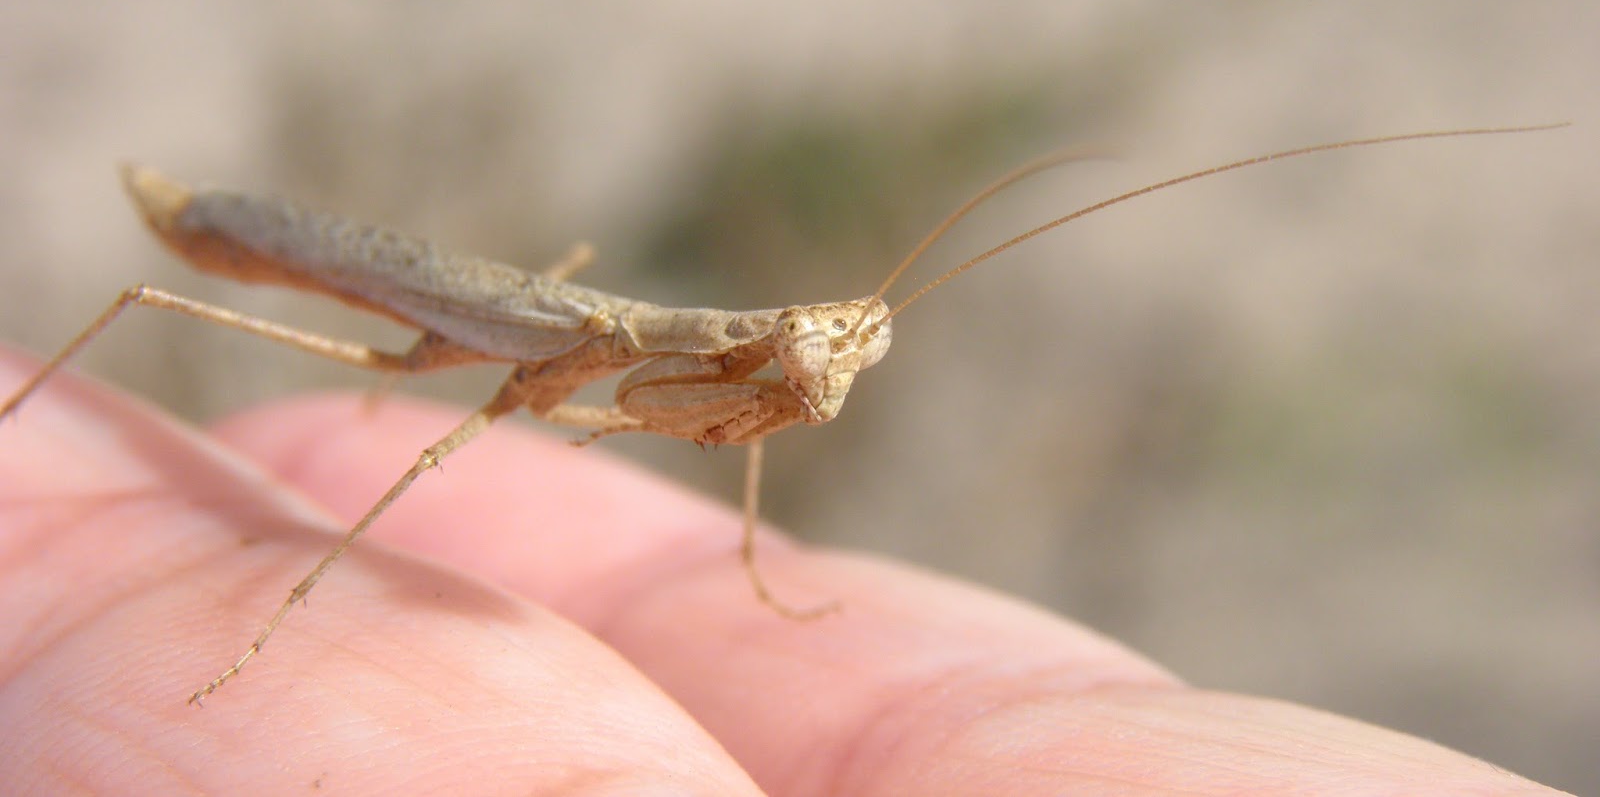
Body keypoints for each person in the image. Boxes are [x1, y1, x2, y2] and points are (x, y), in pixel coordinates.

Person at [0, 350, 1560, 794]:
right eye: (815, 361)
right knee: (404, 439)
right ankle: (266, 612)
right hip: (327, 282)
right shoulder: (640, 352)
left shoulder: (715, 384)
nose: (819, 390)